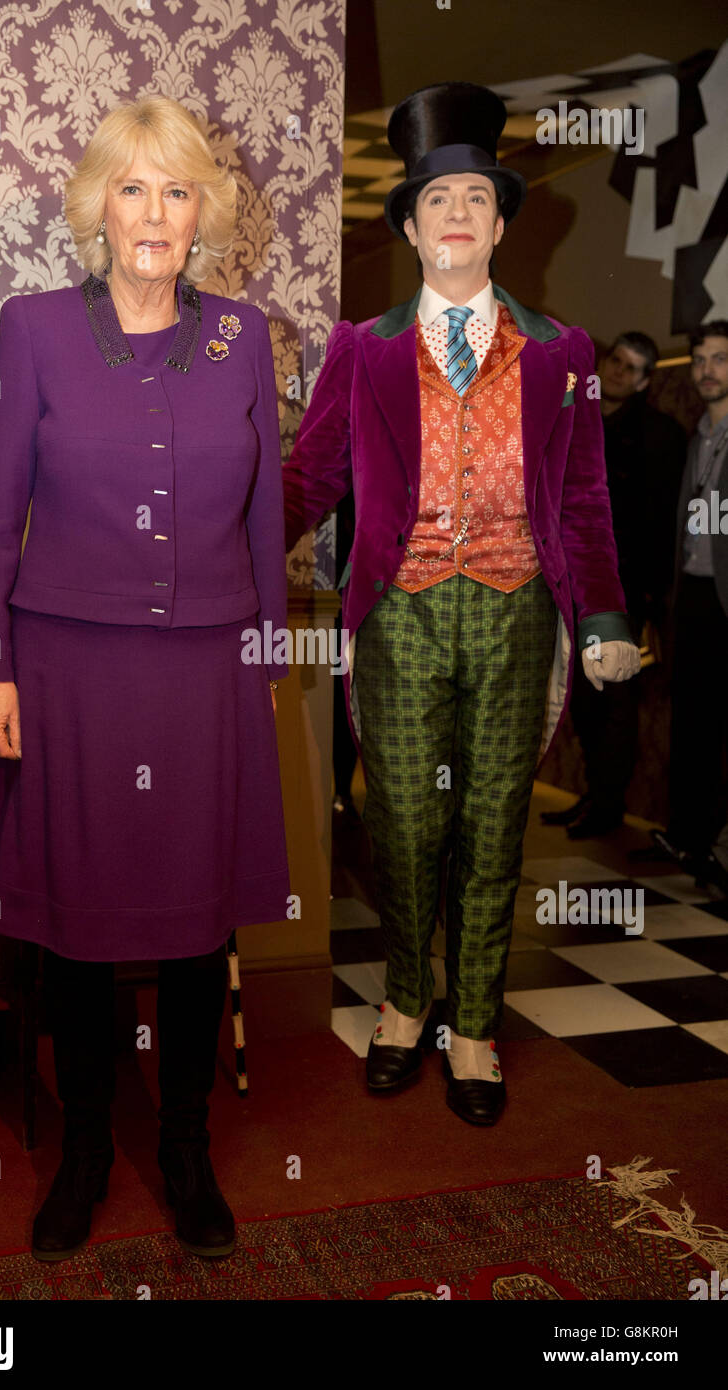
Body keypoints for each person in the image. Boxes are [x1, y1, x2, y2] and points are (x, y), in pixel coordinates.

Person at [0, 96, 289, 1262]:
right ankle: (90, 1148)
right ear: (98, 206)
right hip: (68, 670)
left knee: (199, 927)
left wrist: (263, 661)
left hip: (205, 666)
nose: (155, 212)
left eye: (177, 189)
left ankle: (187, 1148)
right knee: (78, 930)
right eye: (133, 187)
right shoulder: (39, 327)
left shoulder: (240, 335)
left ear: (203, 212)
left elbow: (264, 517)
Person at [282, 82, 640, 1128]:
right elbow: (310, 482)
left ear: (495, 224)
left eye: (475, 199)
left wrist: (607, 617)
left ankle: (471, 1024)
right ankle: (404, 1002)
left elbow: (582, 499)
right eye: (436, 199)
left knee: (489, 828)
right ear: (405, 225)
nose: (454, 214)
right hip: (396, 615)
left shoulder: (561, 355)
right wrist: (232, 566)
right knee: (400, 823)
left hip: (515, 610)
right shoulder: (362, 348)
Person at [541, 332, 686, 838]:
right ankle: (592, 794)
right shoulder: (575, 417)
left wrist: (645, 598)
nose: (620, 373)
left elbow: (660, 523)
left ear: (647, 380)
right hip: (569, 581)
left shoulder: (658, 434)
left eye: (633, 368)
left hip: (623, 589)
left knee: (615, 698)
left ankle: (606, 804)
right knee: (581, 693)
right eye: (616, 363)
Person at [648, 321, 728, 876]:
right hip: (695, 596)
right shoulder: (697, 435)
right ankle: (691, 837)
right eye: (700, 360)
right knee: (693, 722)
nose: (706, 370)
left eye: (720, 359)